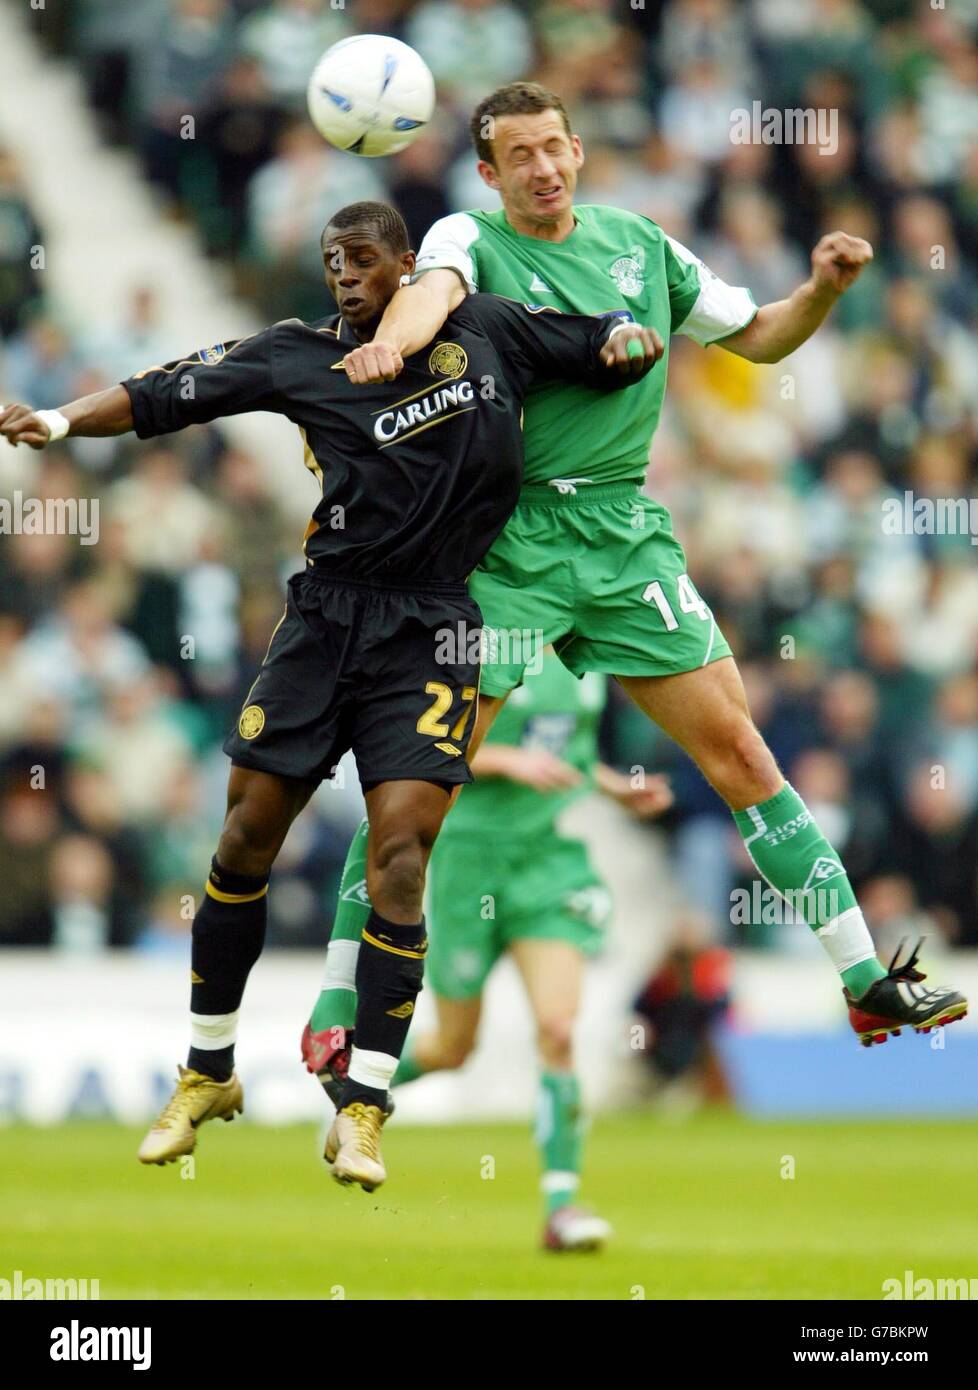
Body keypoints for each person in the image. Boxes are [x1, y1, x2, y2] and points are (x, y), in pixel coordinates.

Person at [302, 85, 966, 1081]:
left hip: (621, 539)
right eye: (517, 155)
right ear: (490, 174)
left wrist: (824, 287)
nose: (541, 168)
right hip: (506, 542)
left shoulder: (644, 246)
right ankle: (336, 997)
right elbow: (433, 290)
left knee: (742, 751)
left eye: (553, 148)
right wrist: (396, 339)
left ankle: (866, 979)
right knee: (418, 781)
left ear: (577, 149)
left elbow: (761, 334)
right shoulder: (466, 237)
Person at [0, 200, 663, 1191]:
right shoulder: (297, 353)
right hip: (325, 622)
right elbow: (169, 391)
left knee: (402, 851)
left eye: (360, 260)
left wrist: (626, 335)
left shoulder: (484, 329)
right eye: (330, 262)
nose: (343, 276)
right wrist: (57, 418)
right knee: (242, 839)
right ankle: (207, 1067)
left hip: (437, 625)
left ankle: (364, 1105)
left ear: (406, 265)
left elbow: (598, 340)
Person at [390, 651, 673, 1251]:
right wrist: (501, 760)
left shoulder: (587, 662)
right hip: (469, 863)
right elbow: (415, 746)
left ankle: (561, 1207)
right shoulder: (479, 643)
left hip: (547, 864)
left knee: (558, 1028)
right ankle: (360, 1090)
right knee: (452, 1046)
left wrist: (616, 789)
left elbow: (568, 756)